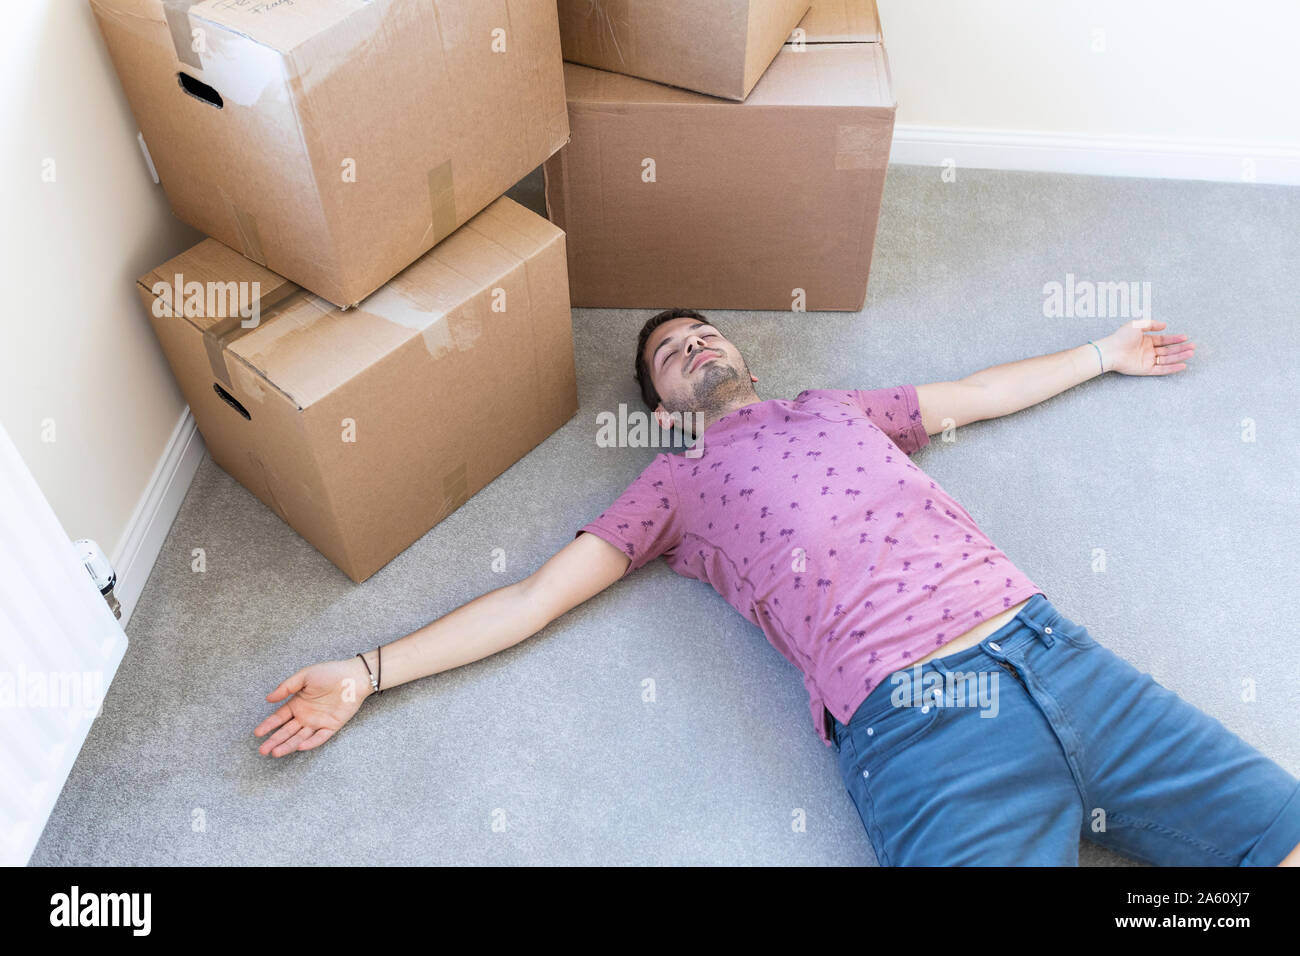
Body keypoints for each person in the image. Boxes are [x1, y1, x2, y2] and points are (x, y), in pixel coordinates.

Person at [253, 308, 1300, 867]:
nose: (693, 343)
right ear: (664, 408)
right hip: (919, 722)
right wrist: (364, 668)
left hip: (1055, 654)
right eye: (667, 354)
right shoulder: (673, 482)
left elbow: (977, 394)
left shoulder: (844, 407)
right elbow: (532, 598)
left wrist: (1100, 353)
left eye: (701, 331)